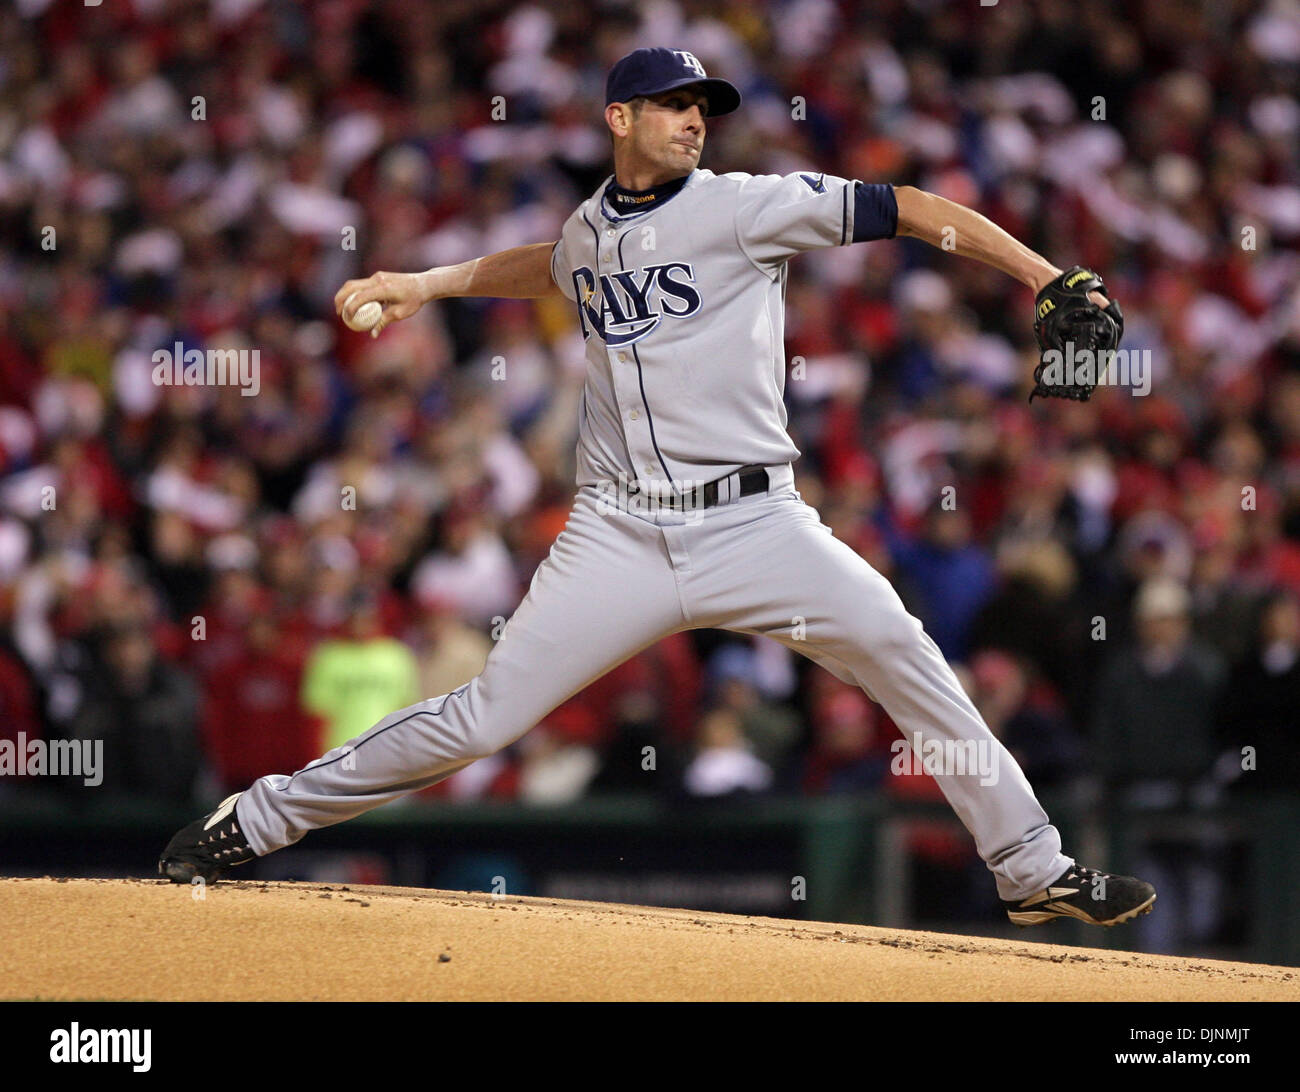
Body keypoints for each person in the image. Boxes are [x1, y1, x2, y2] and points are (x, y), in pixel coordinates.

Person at [160, 47, 1154, 928]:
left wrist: (1043, 274)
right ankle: (251, 822)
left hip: (756, 523)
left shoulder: (744, 205)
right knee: (482, 717)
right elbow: (550, 266)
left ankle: (1030, 868)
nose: (691, 120)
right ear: (618, 119)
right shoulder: (590, 229)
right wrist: (424, 286)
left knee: (903, 652)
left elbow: (909, 209)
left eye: (700, 106)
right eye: (671, 103)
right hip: (618, 534)